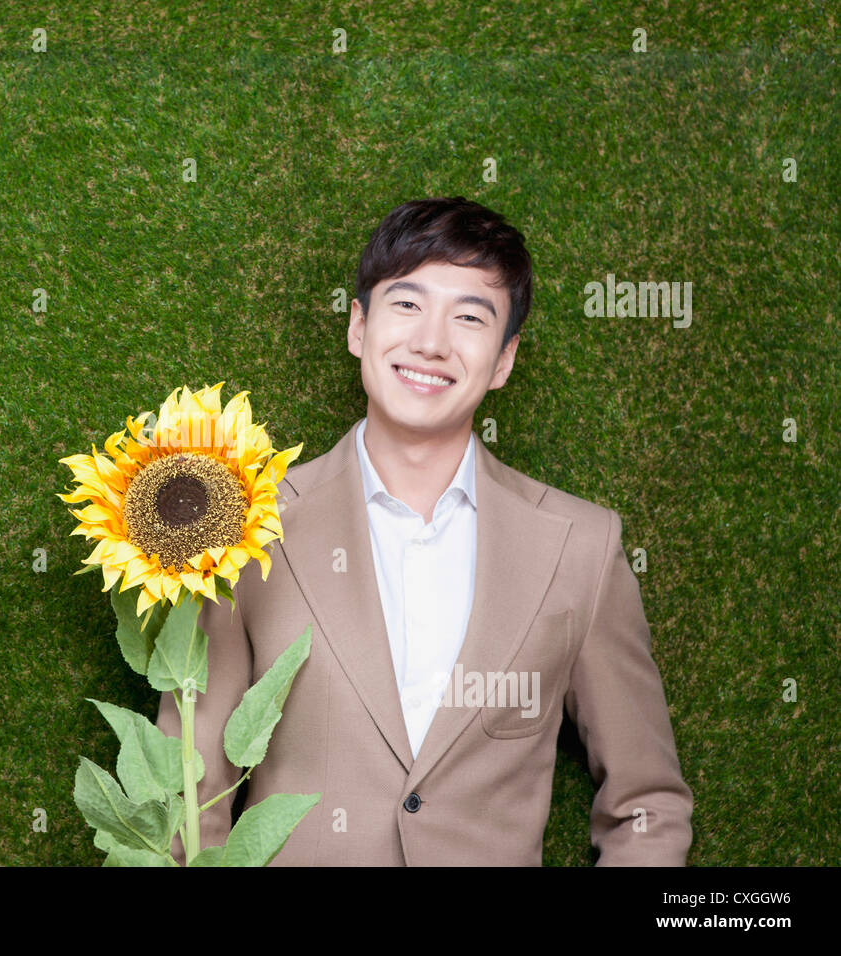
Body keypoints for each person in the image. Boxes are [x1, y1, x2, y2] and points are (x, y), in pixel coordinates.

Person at [156, 196, 694, 865]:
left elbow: (647, 803)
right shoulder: (244, 526)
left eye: (470, 317)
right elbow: (186, 789)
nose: (431, 342)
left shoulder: (579, 548)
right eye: (407, 304)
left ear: (503, 360)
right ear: (359, 326)